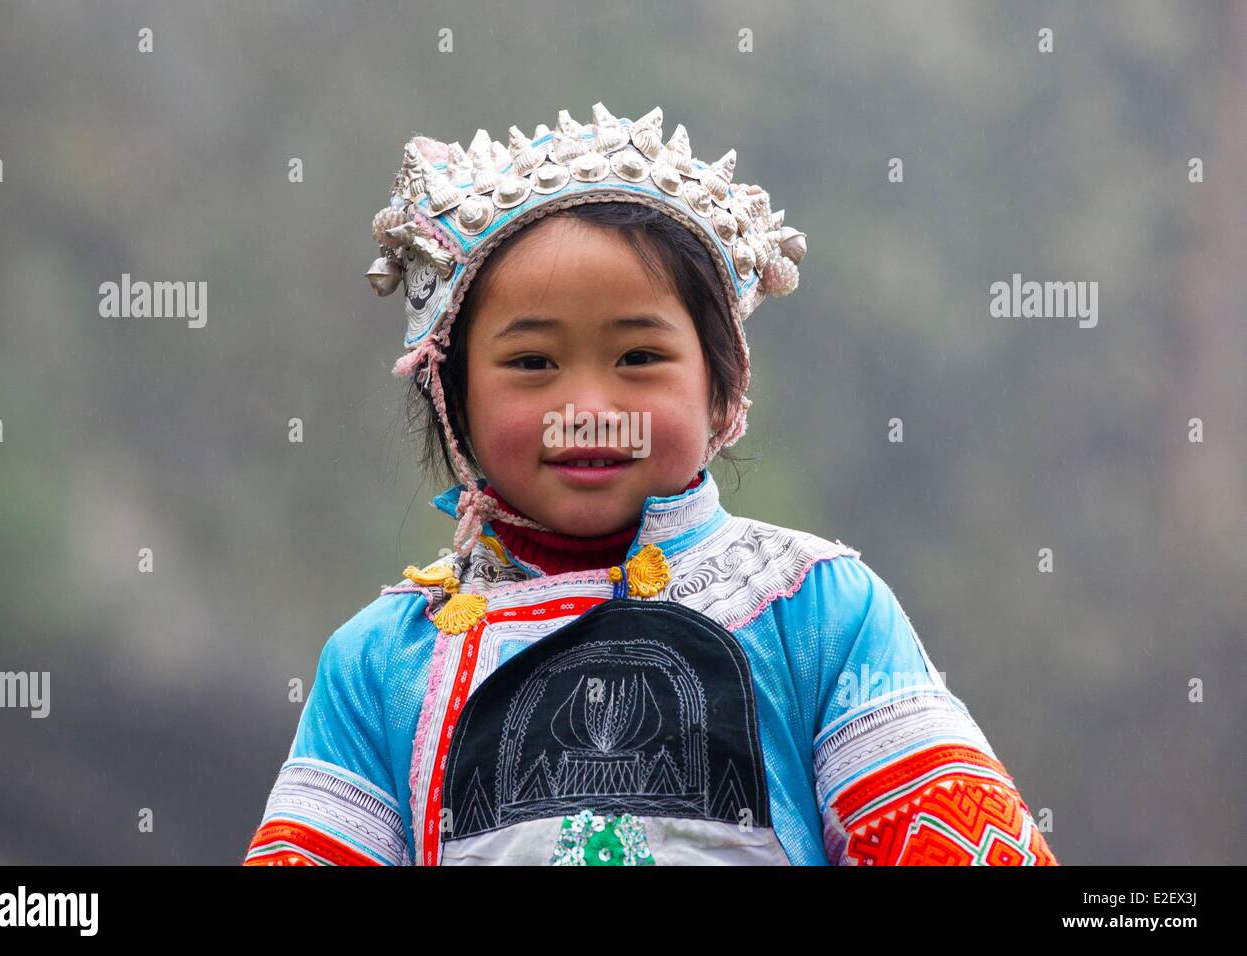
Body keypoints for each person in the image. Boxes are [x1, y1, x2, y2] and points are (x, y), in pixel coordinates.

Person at [242, 103, 1058, 866]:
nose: (590, 409)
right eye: (532, 363)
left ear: (721, 390)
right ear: (454, 400)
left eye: (638, 358)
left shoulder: (817, 610)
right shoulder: (381, 660)